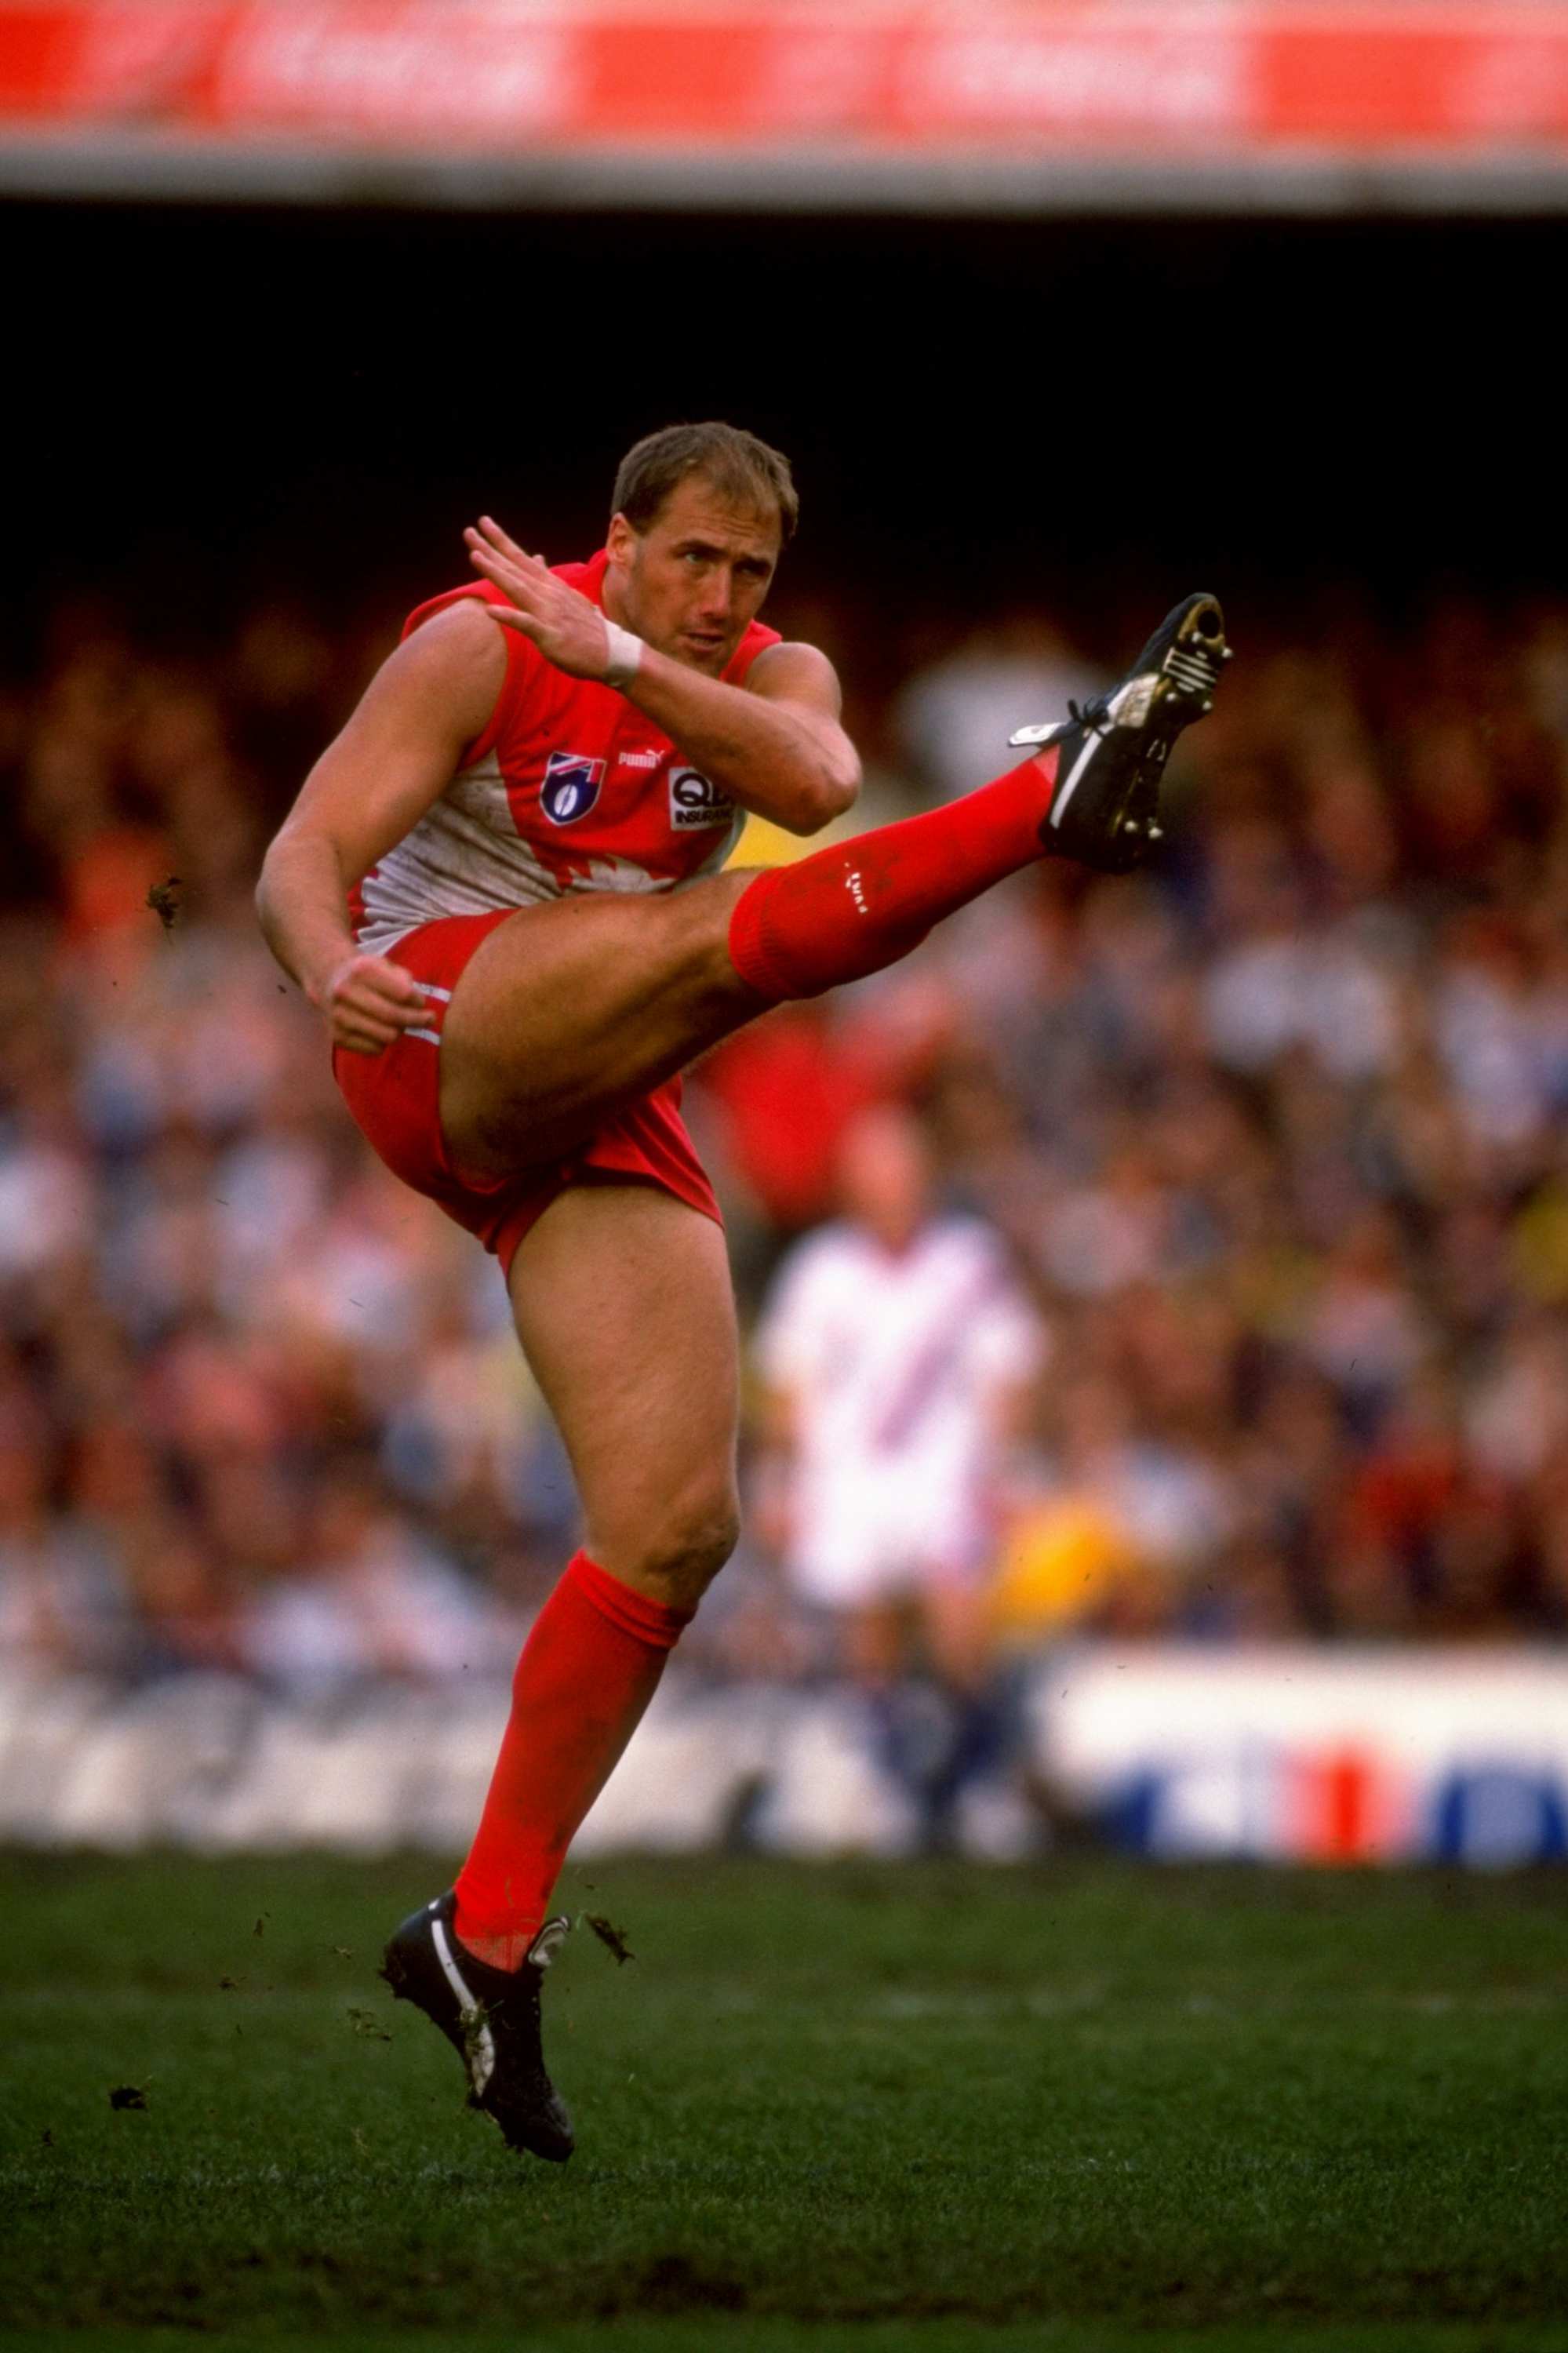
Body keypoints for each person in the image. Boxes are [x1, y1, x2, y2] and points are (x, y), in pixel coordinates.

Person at [254, 419, 1229, 2160]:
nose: (717, 599)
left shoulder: (752, 671)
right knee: (721, 951)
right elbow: (293, 857)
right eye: (685, 561)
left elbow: (813, 784)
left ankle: (475, 1940)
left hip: (590, 1069)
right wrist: (329, 968)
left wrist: (628, 661)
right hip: (435, 1026)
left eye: (746, 573)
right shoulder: (477, 639)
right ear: (611, 539)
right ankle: (1040, 801)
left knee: (670, 1531)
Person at [755, 1104, 1044, 1850]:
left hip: (943, 1472)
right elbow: (789, 1385)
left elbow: (1006, 1370)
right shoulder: (821, 1269)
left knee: (959, 1627)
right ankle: (890, 1788)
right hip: (848, 1477)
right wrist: (781, 1482)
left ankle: (980, 1782)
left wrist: (1003, 1469)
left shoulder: (967, 1261)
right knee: (868, 1634)